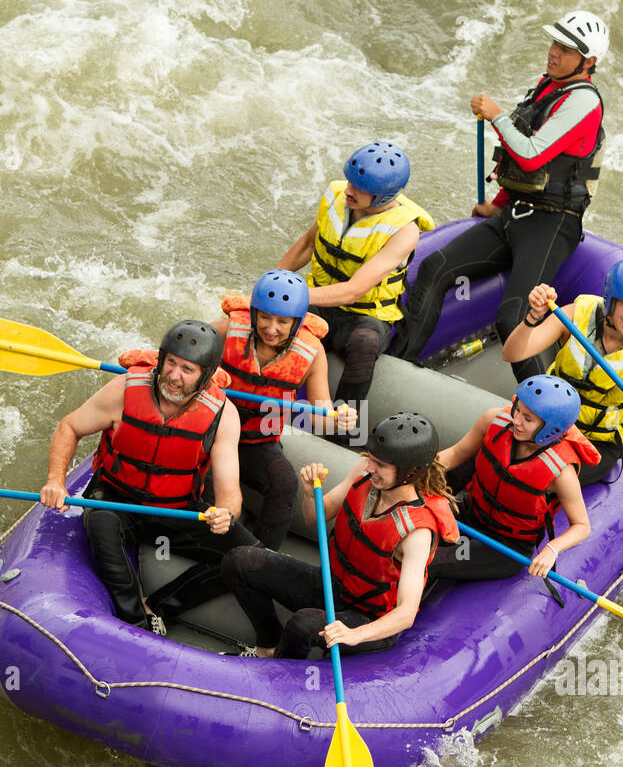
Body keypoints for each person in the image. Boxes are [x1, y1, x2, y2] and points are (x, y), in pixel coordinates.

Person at [390, 10, 610, 375]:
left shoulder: (584, 101)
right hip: (516, 215)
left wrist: (496, 115)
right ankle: (398, 365)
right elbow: (526, 168)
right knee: (436, 267)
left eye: (566, 49)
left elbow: (531, 154)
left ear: (588, 62)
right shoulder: (549, 86)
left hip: (552, 225)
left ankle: (545, 410)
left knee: (513, 317)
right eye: (554, 43)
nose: (554, 52)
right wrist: (498, 206)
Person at [40, 319, 261, 633]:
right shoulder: (126, 389)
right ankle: (136, 623)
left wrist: (226, 514)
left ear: (205, 376)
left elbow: (230, 495)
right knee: (100, 521)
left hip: (175, 508)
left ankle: (161, 604)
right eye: (171, 362)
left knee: (251, 558)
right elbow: (70, 427)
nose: (173, 376)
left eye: (187, 369)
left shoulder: (223, 416)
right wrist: (55, 480)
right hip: (117, 499)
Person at [221, 413, 458, 658]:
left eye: (380, 465)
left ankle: (280, 677)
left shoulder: (416, 533)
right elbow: (316, 518)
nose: (369, 467)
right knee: (238, 561)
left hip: (367, 616)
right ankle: (267, 647)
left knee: (303, 625)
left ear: (410, 472)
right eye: (371, 459)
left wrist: (355, 634)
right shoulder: (364, 475)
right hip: (332, 585)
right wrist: (310, 494)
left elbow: (406, 614)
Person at [277, 141, 435, 407]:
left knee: (365, 342)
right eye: (350, 183)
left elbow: (353, 291)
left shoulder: (404, 230)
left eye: (359, 190)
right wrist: (273, 282)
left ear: (384, 196)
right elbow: (307, 243)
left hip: (366, 316)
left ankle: (344, 428)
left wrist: (289, 295)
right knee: (278, 325)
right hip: (320, 303)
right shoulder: (337, 198)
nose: (349, 191)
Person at [210, 269, 357, 549]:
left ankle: (261, 558)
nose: (271, 328)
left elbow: (321, 415)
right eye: (264, 317)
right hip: (212, 434)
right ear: (253, 313)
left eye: (282, 321)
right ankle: (217, 548)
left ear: (298, 322)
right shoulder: (226, 330)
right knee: (201, 485)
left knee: (285, 486)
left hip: (258, 441)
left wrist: (339, 419)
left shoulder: (311, 354)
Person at [502, 258, 623, 486]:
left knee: (543, 474)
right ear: (610, 300)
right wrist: (533, 317)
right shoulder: (576, 315)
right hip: (549, 420)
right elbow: (512, 354)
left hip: (599, 443)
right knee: (497, 449)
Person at [429, 375, 596, 583]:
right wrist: (419, 470)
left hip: (505, 546)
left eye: (528, 419)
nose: (516, 420)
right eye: (518, 410)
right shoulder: (493, 419)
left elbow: (582, 526)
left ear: (550, 429)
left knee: (431, 558)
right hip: (469, 513)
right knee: (413, 529)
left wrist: (553, 549)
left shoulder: (562, 473)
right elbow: (455, 454)